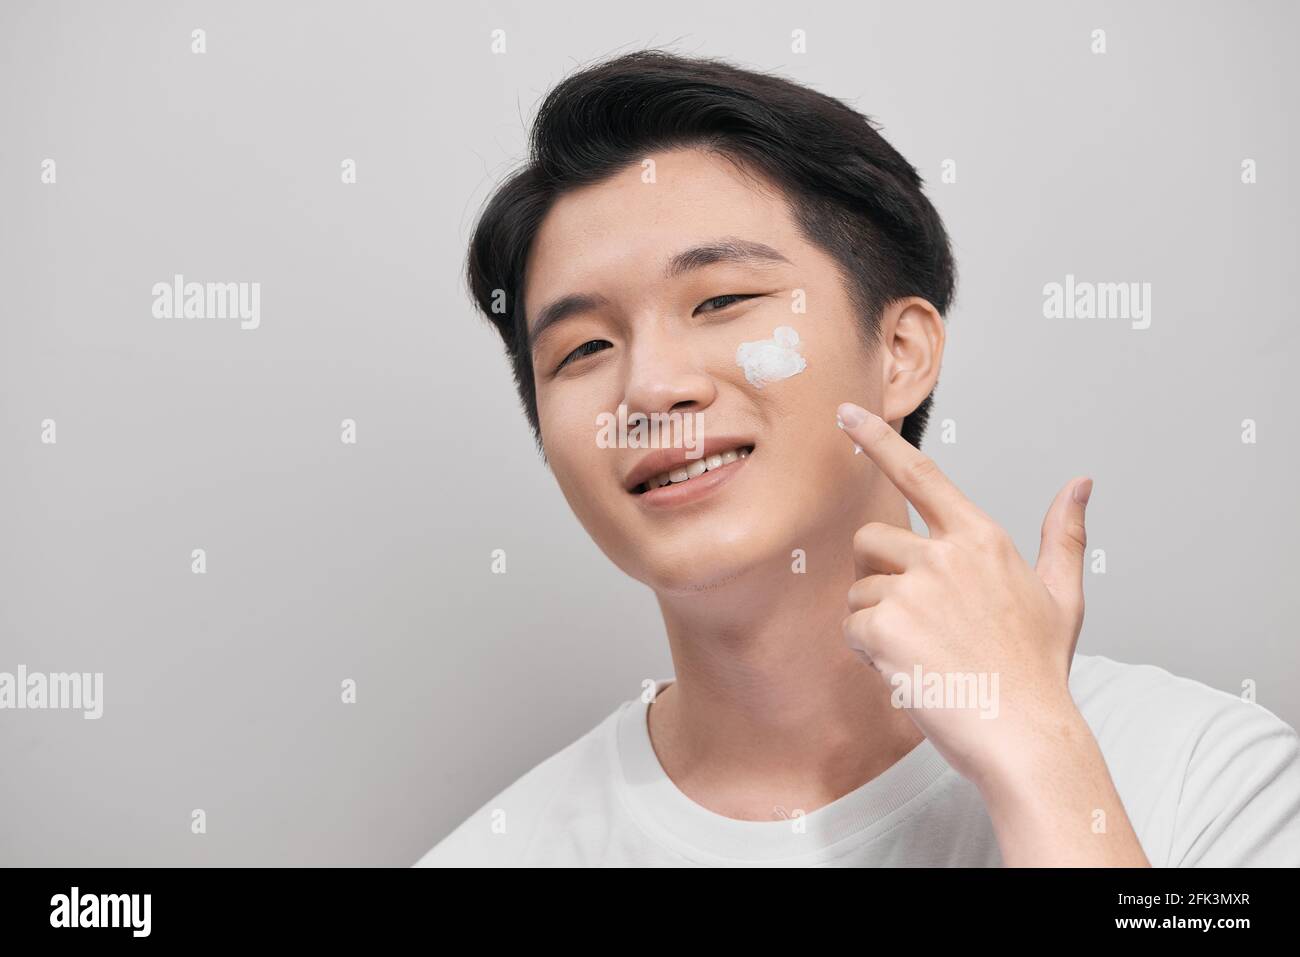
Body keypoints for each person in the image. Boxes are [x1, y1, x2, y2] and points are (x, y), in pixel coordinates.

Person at [416, 50, 1300, 866]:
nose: (650, 390)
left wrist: (1038, 756)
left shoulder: (1207, 776)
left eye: (721, 299)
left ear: (901, 352)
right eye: (583, 350)